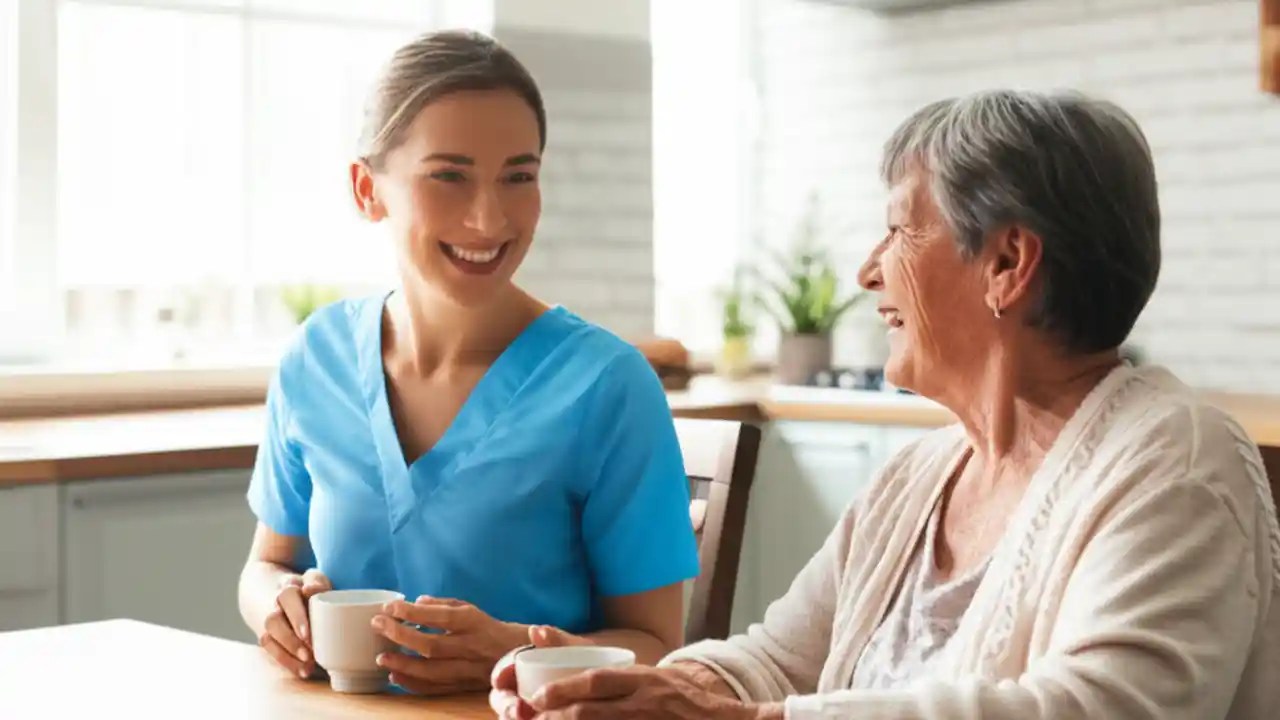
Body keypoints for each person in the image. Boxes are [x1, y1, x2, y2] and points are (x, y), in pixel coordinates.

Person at [491, 89, 1280, 719]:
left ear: (1007, 263)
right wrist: (631, 692)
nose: (869, 272)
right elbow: (778, 661)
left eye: (900, 230)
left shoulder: (1176, 464)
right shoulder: (923, 474)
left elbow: (1095, 709)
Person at [236, 29, 699, 696]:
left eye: (519, 177)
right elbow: (265, 566)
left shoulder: (608, 386)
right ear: (367, 190)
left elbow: (658, 649)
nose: (489, 219)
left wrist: (514, 655)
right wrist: (276, 607)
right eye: (449, 176)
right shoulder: (317, 358)